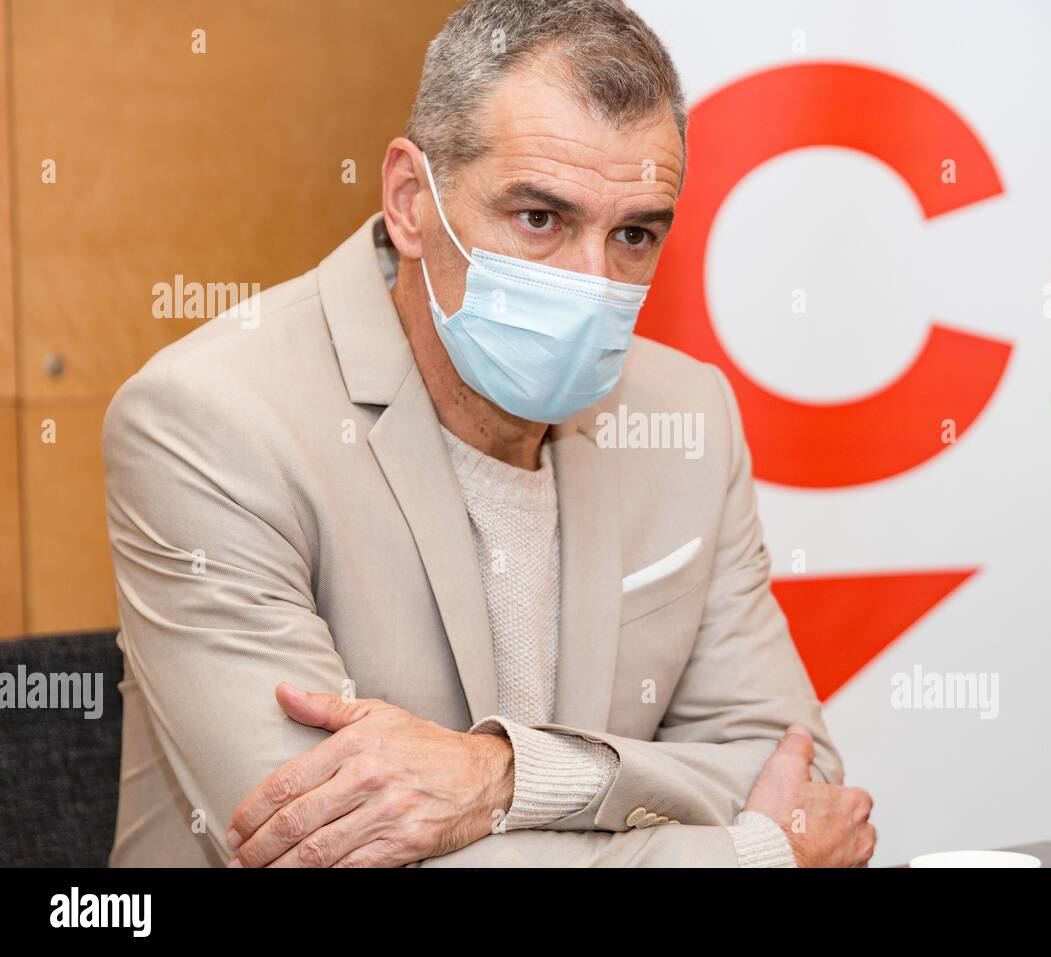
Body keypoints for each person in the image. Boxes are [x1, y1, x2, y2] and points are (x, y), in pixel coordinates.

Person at [104, 0, 875, 868]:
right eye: (540, 218)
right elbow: (322, 848)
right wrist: (751, 855)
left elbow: (796, 772)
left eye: (633, 234)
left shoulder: (687, 414)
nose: (594, 284)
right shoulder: (211, 418)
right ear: (410, 200)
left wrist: (502, 777)